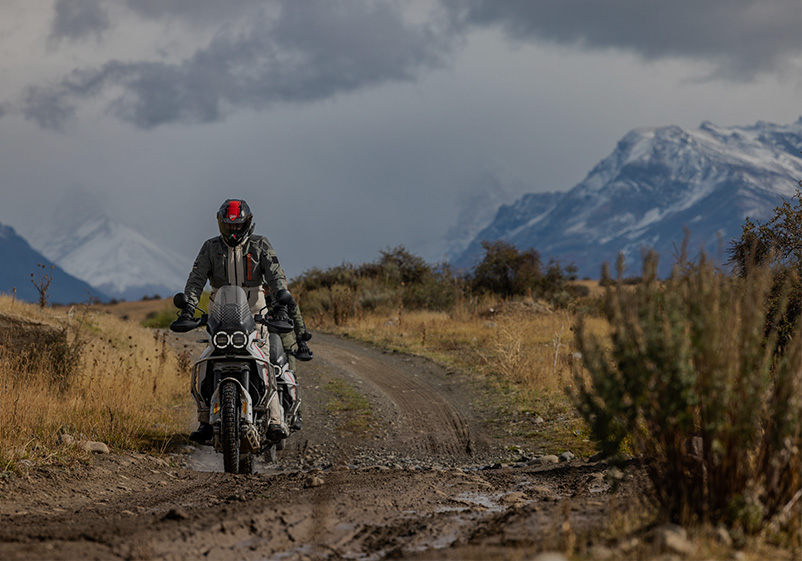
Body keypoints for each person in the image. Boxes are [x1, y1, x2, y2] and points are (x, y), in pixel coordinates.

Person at [180, 198, 310, 444]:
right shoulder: (210, 247)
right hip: (220, 306)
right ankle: (205, 420)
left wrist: (280, 306)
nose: (233, 231)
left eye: (238, 226)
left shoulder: (260, 245)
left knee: (264, 359)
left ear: (247, 223)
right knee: (208, 358)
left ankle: (274, 421)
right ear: (221, 225)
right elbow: (196, 279)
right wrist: (188, 305)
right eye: (229, 226)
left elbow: (275, 277)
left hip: (255, 307)